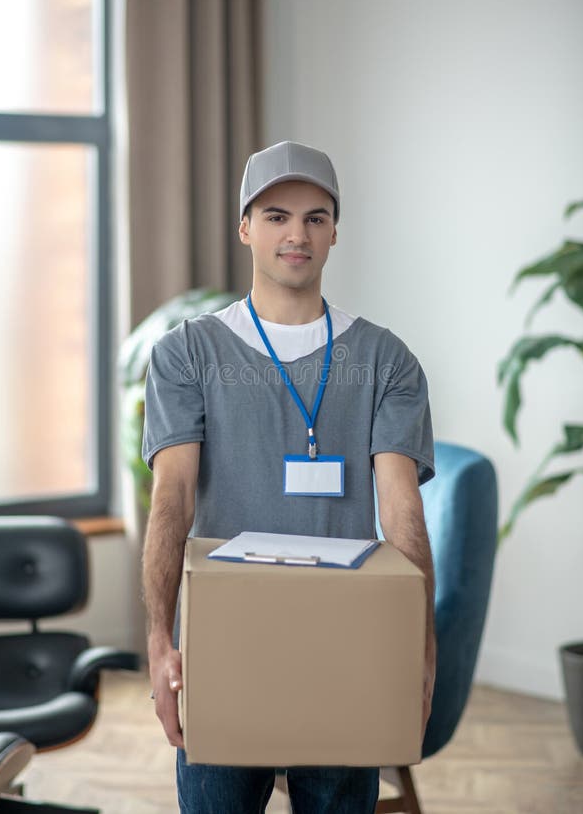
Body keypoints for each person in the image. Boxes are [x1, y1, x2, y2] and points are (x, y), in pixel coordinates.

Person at [141, 140, 437, 814]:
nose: (296, 234)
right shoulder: (188, 354)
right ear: (245, 227)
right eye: (276, 216)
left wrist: (418, 648)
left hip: (347, 647)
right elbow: (173, 498)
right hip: (222, 649)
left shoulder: (386, 360)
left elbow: (401, 514)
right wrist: (161, 642)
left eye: (315, 217)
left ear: (336, 231)